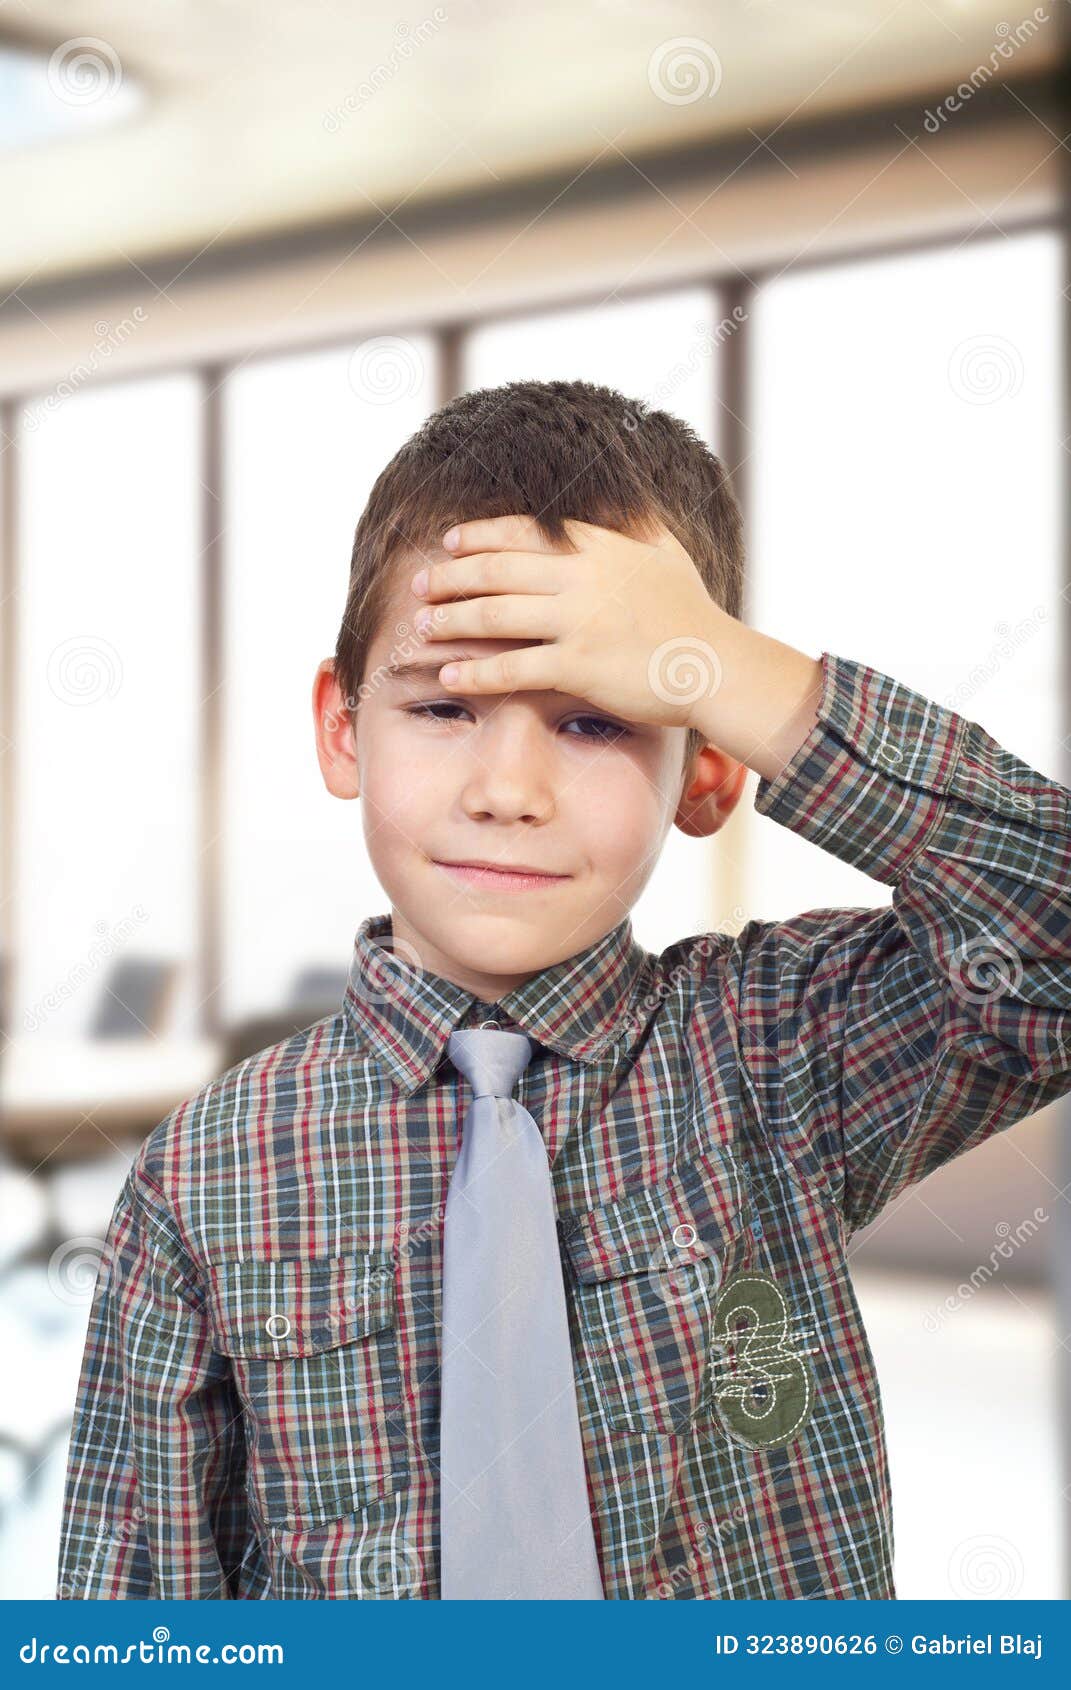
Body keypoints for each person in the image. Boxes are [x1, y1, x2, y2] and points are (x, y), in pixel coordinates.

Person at [56, 378, 1071, 1599]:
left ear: (707, 773)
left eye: (594, 722)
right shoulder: (206, 1177)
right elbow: (135, 1617)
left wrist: (732, 674)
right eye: (442, 706)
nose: (508, 788)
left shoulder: (780, 1052)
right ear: (344, 728)